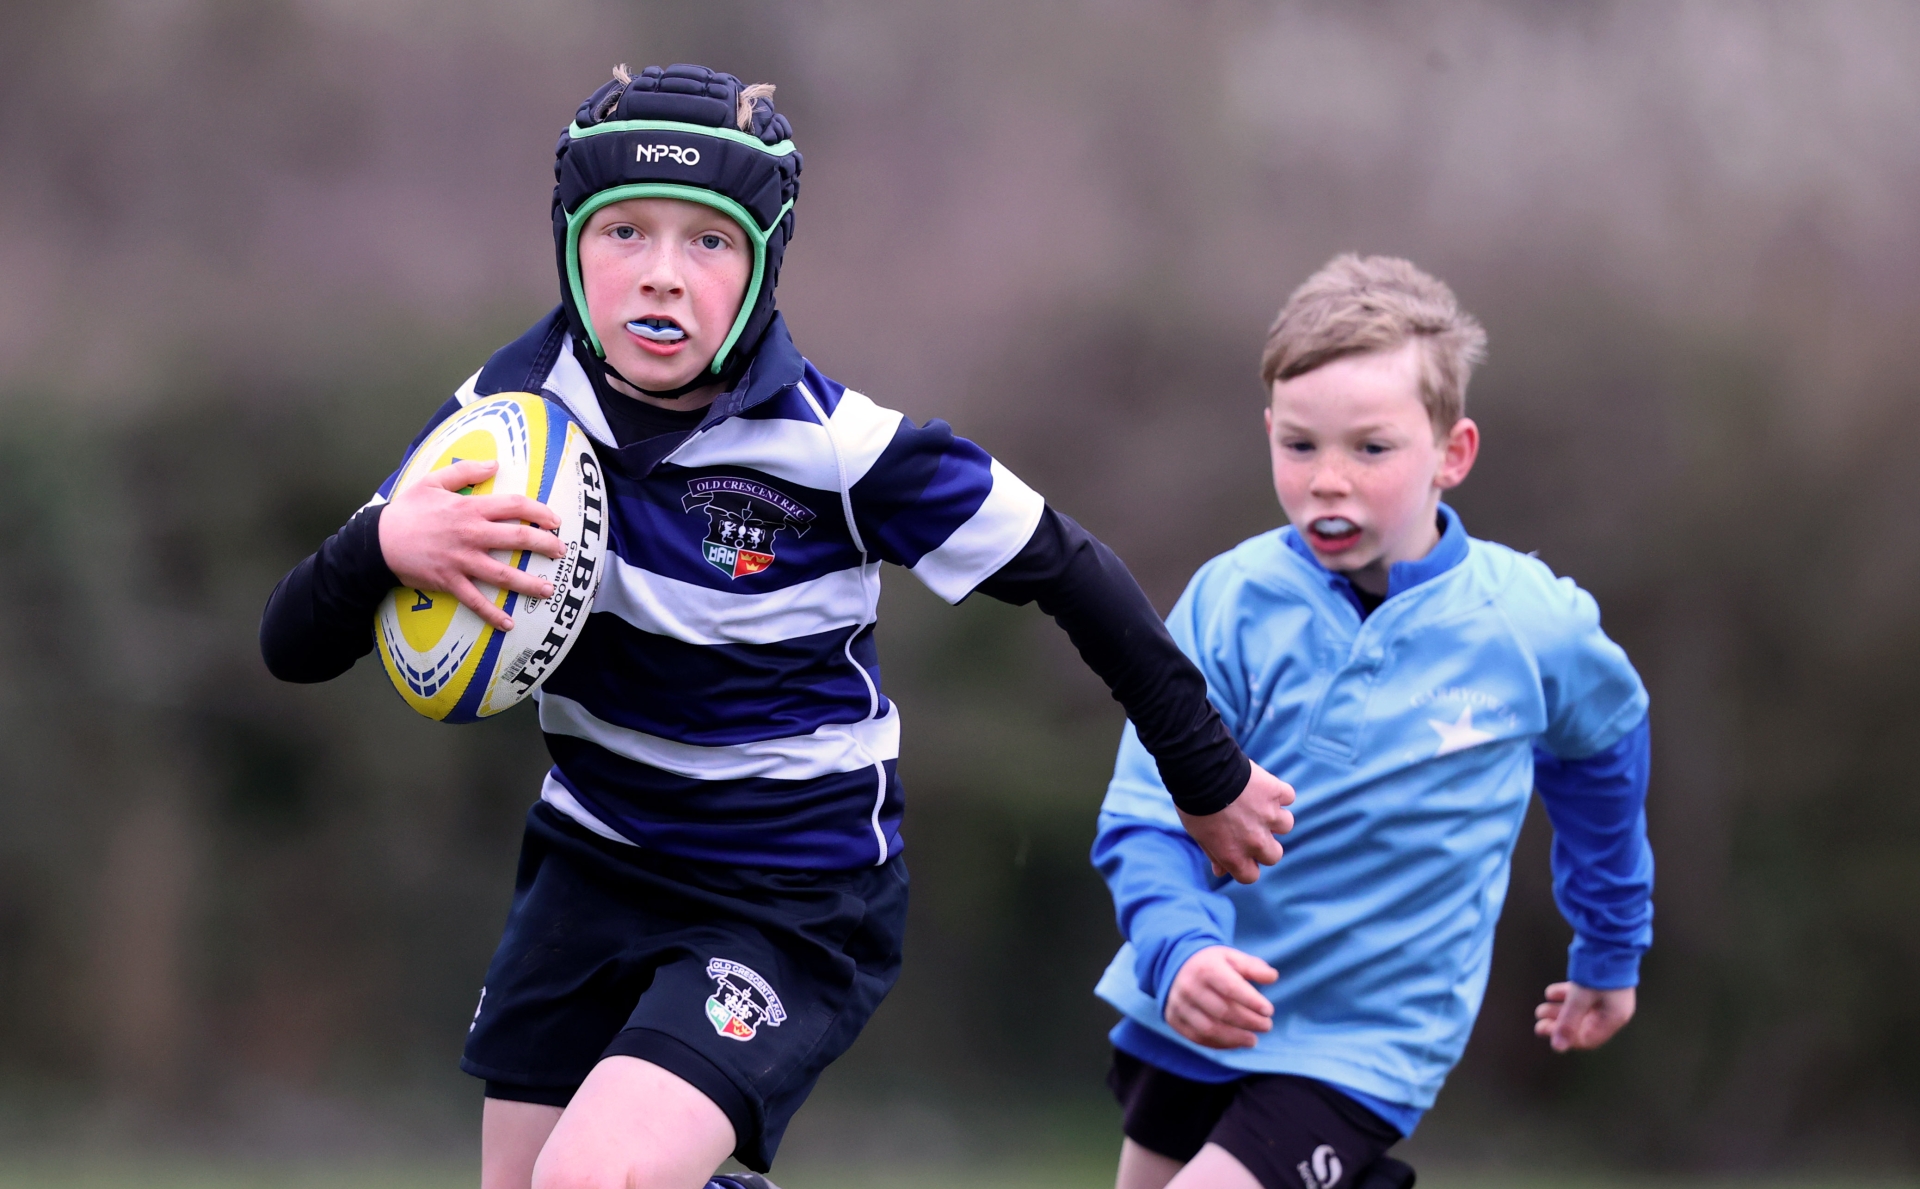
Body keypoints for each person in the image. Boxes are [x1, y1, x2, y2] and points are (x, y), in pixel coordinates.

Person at [258, 64, 1295, 1189]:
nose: (662, 276)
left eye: (710, 242)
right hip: (592, 858)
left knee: (585, 1181)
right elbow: (292, 646)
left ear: (764, 264)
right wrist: (383, 549)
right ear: (569, 242)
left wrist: (1205, 772)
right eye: (626, 234)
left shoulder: (843, 450)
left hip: (790, 888)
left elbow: (1067, 568)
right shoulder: (505, 422)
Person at [1092, 254, 1653, 1189]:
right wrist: (1179, 946)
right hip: (1205, 1000)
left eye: (1371, 448)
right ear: (1268, 432)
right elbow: (1147, 813)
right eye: (1301, 446)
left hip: (1369, 1037)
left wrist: (1609, 943)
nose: (1328, 481)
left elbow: (1604, 759)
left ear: (1453, 452)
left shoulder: (1530, 623)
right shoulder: (1230, 602)